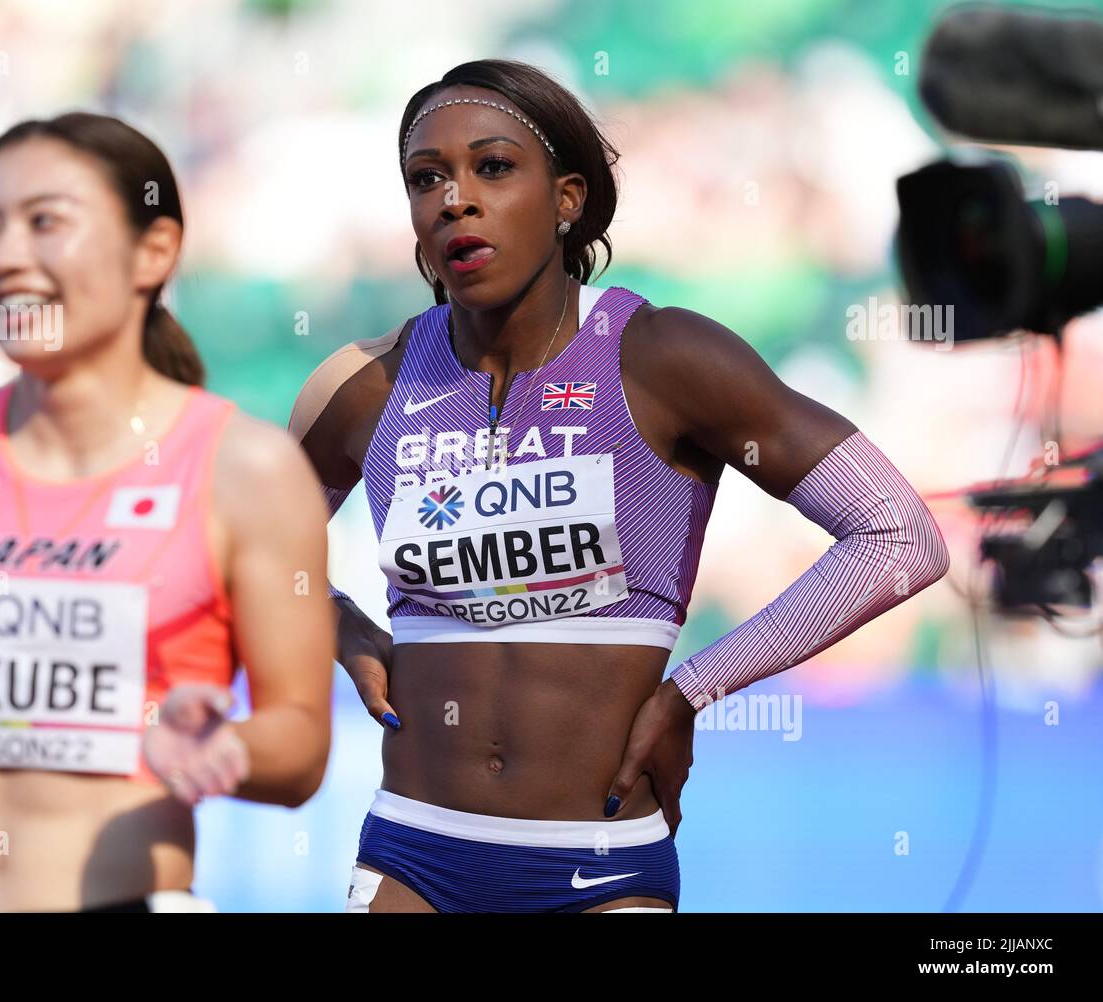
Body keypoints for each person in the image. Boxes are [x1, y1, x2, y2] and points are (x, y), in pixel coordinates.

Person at [290, 60, 950, 913]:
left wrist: (694, 687)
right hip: (413, 854)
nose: (455, 199)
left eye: (492, 168)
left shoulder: (666, 359)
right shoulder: (362, 386)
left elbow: (899, 534)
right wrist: (338, 624)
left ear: (567, 199)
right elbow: (246, 550)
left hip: (601, 863)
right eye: (427, 178)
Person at [0, 112, 333, 912]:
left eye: (45, 221)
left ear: (153, 252)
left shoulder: (245, 468)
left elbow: (299, 751)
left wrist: (222, 745)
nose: (4, 257)